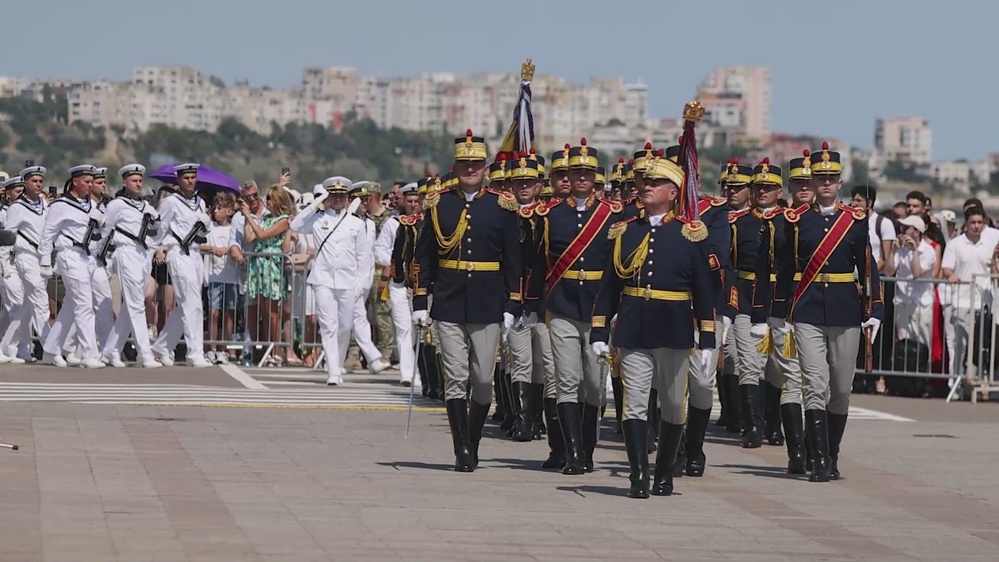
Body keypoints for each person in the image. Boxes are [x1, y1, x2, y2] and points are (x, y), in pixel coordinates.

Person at [590, 144, 716, 499]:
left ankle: (664, 472)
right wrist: (600, 328)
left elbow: (704, 292)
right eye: (645, 181)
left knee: (675, 406)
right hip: (634, 326)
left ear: (673, 192)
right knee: (634, 403)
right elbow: (610, 285)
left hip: (674, 328)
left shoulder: (691, 234)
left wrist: (707, 339)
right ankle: (637, 476)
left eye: (656, 182)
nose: (646, 186)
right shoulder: (623, 231)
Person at [412, 129, 522, 473]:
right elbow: (424, 256)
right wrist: (420, 299)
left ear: (485, 167)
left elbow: (513, 259)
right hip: (448, 299)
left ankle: (472, 440)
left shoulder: (501, 206)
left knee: (484, 380)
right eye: (464, 163)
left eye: (476, 164)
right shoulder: (438, 203)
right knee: (455, 377)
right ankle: (461, 448)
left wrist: (512, 303)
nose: (470, 169)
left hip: (488, 302)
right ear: (455, 166)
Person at [775, 142, 883, 483]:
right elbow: (785, 266)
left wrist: (875, 308)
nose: (824, 183)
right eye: (819, 177)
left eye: (831, 178)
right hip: (807, 308)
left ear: (839, 182)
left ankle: (832, 453)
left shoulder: (854, 220)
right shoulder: (796, 221)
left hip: (844, 308)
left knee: (840, 388)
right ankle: (818, 459)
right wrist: (778, 312)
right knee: (814, 384)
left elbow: (868, 267)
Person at [533, 138, 623, 475]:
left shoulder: (612, 214)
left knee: (595, 385)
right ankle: (572, 453)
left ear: (595, 177)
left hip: (599, 306)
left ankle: (587, 449)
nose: (581, 178)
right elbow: (541, 263)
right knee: (567, 379)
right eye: (576, 172)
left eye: (587, 173)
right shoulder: (552, 214)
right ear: (567, 175)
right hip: (563, 304)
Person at [290, 177, 367, 385]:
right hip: (323, 279)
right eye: (334, 195)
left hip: (348, 281)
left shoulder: (356, 223)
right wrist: (317, 202)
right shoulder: (318, 220)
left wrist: (362, 284)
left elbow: (363, 257)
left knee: (345, 325)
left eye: (342, 196)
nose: (338, 199)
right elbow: (295, 225)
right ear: (329, 197)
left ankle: (337, 362)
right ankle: (333, 370)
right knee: (328, 325)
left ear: (347, 197)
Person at [38, 165, 106, 368]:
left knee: (70, 306)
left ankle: (50, 349)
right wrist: (44, 260)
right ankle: (89, 354)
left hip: (87, 258)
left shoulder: (90, 205)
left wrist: (101, 221)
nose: (90, 185)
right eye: (86, 181)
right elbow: (48, 233)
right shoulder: (61, 204)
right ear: (75, 181)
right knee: (85, 305)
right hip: (69, 256)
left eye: (91, 181)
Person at [100, 164, 163, 368]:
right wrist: (101, 256)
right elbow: (104, 231)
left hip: (143, 255)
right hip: (125, 252)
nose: (138, 184)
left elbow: (157, 232)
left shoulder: (147, 207)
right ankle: (145, 354)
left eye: (140, 180)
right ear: (124, 182)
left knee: (131, 305)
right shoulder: (117, 205)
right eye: (134, 180)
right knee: (136, 304)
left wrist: (153, 249)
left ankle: (110, 350)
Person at [150, 163, 212, 367]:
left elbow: (202, 235)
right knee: (192, 303)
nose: (191, 181)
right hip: (178, 252)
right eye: (186, 178)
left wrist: (206, 224)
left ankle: (162, 346)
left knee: (189, 304)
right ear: (178, 180)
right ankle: (195, 353)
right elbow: (160, 230)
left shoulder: (200, 203)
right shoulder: (171, 202)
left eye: (193, 177)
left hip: (195, 254)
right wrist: (161, 247)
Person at [2, 163, 52, 360]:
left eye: (40, 181)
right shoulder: (17, 207)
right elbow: (7, 238)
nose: (38, 184)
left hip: (41, 258)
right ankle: (50, 348)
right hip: (24, 256)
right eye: (34, 181)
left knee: (25, 308)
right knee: (40, 302)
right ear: (25, 183)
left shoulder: (43, 205)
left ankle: (6, 346)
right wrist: (3, 263)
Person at [343, 182, 390, 374]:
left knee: (358, 320)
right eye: (360, 200)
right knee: (347, 321)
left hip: (367, 278)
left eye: (366, 199)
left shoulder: (370, 223)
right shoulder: (344, 222)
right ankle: (366, 357)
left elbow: (373, 252)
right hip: (346, 278)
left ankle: (373, 358)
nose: (364, 203)